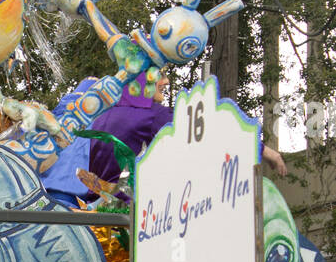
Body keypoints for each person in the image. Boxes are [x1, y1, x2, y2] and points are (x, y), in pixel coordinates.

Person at [41, 73, 288, 209]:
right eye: (160, 73)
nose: (167, 81)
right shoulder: (149, 114)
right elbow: (212, 130)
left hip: (42, 194)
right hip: (71, 204)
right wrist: (266, 152)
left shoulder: (91, 93)